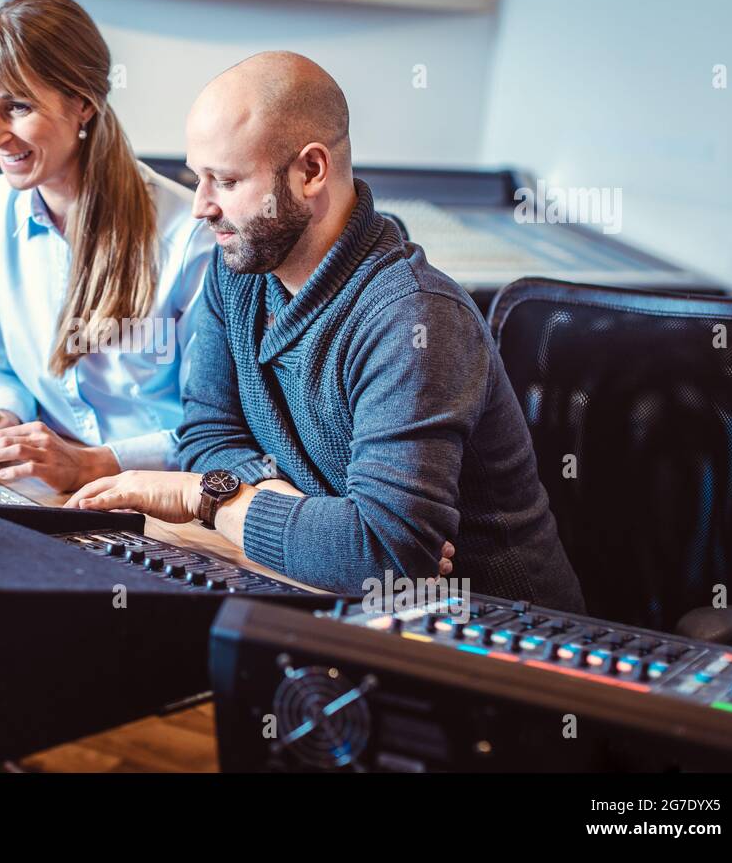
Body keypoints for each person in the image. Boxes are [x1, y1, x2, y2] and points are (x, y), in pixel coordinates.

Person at [67, 52, 584, 610]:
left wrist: (207, 498)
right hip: (327, 598)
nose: (201, 207)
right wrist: (299, 519)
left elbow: (381, 558)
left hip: (494, 638)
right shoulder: (239, 271)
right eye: (199, 179)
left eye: (227, 180)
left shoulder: (415, 318)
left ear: (311, 172)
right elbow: (205, 436)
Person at [0, 0, 213, 491]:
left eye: (17, 107)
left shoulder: (189, 237)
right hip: (45, 488)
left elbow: (216, 434)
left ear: (83, 104)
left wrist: (91, 464)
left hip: (160, 500)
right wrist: (0, 414)